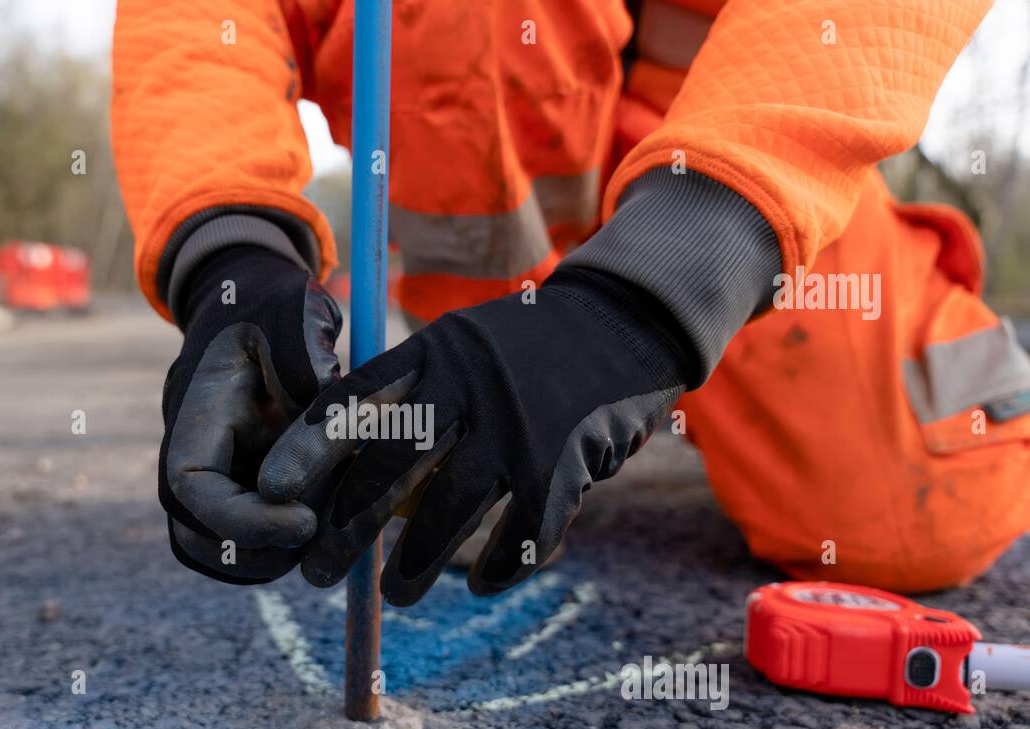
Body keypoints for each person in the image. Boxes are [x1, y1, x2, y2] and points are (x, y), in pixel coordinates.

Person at [111, 0, 1030, 605]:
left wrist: (659, 292)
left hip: (734, 118)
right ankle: (485, 389)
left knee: (918, 511)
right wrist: (228, 247)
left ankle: (618, 349)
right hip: (482, 70)